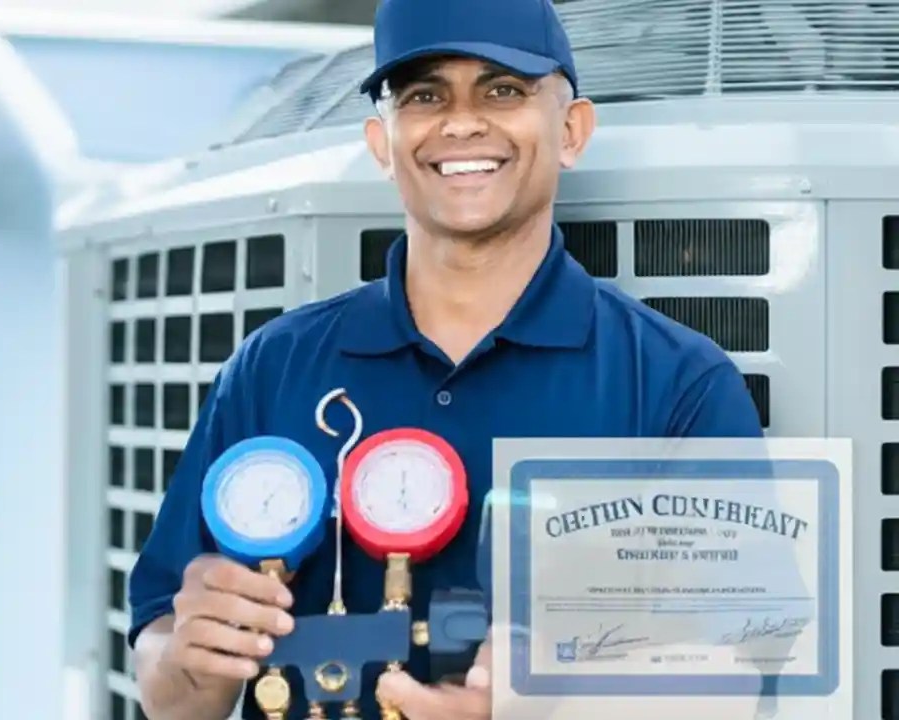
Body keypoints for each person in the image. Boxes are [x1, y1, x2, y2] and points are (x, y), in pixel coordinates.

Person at [126, 0, 765, 718]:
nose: (461, 122)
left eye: (503, 90)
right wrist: (191, 656)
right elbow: (169, 688)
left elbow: (740, 679)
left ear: (571, 131)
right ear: (382, 140)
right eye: (425, 94)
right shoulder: (273, 367)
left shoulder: (676, 383)